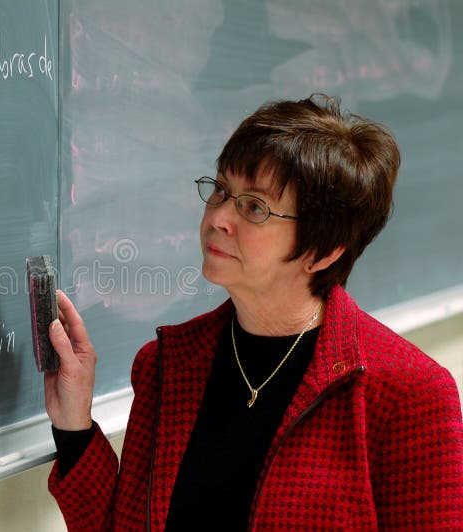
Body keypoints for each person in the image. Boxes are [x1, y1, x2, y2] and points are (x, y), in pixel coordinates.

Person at [44, 94, 463, 531]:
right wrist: (74, 427)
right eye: (222, 190)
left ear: (321, 251)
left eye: (254, 207)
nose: (219, 217)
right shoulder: (167, 366)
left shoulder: (406, 394)